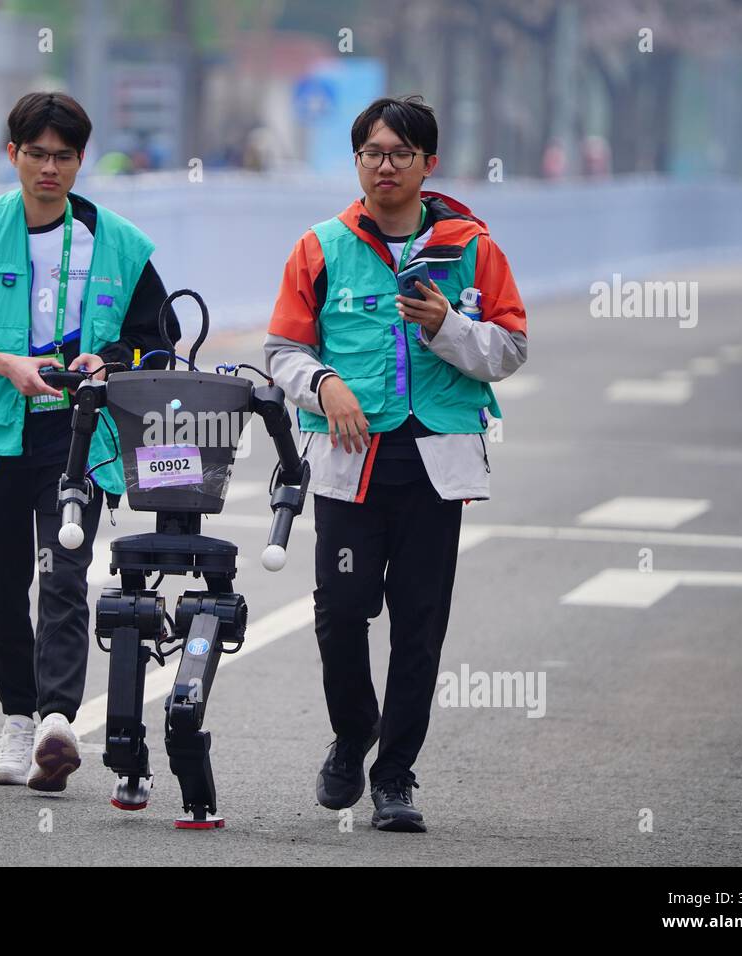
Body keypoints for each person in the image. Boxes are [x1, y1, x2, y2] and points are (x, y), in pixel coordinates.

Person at [263, 95, 528, 833]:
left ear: (428, 164)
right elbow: (282, 349)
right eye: (373, 152)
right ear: (357, 162)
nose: (386, 165)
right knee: (341, 614)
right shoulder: (320, 246)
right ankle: (354, 733)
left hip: (436, 465)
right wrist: (323, 382)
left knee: (419, 624)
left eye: (401, 153)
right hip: (352, 462)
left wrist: (451, 328)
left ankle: (395, 778)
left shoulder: (472, 248)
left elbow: (510, 350)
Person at [0, 91, 179, 793]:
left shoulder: (117, 242)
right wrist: (7, 366)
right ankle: (17, 721)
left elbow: (158, 341)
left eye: (63, 156)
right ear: (13, 155)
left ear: (81, 160)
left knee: (64, 570)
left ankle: (58, 721)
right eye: (37, 155)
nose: (49, 169)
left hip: (80, 431)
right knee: (4, 581)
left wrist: (107, 360)